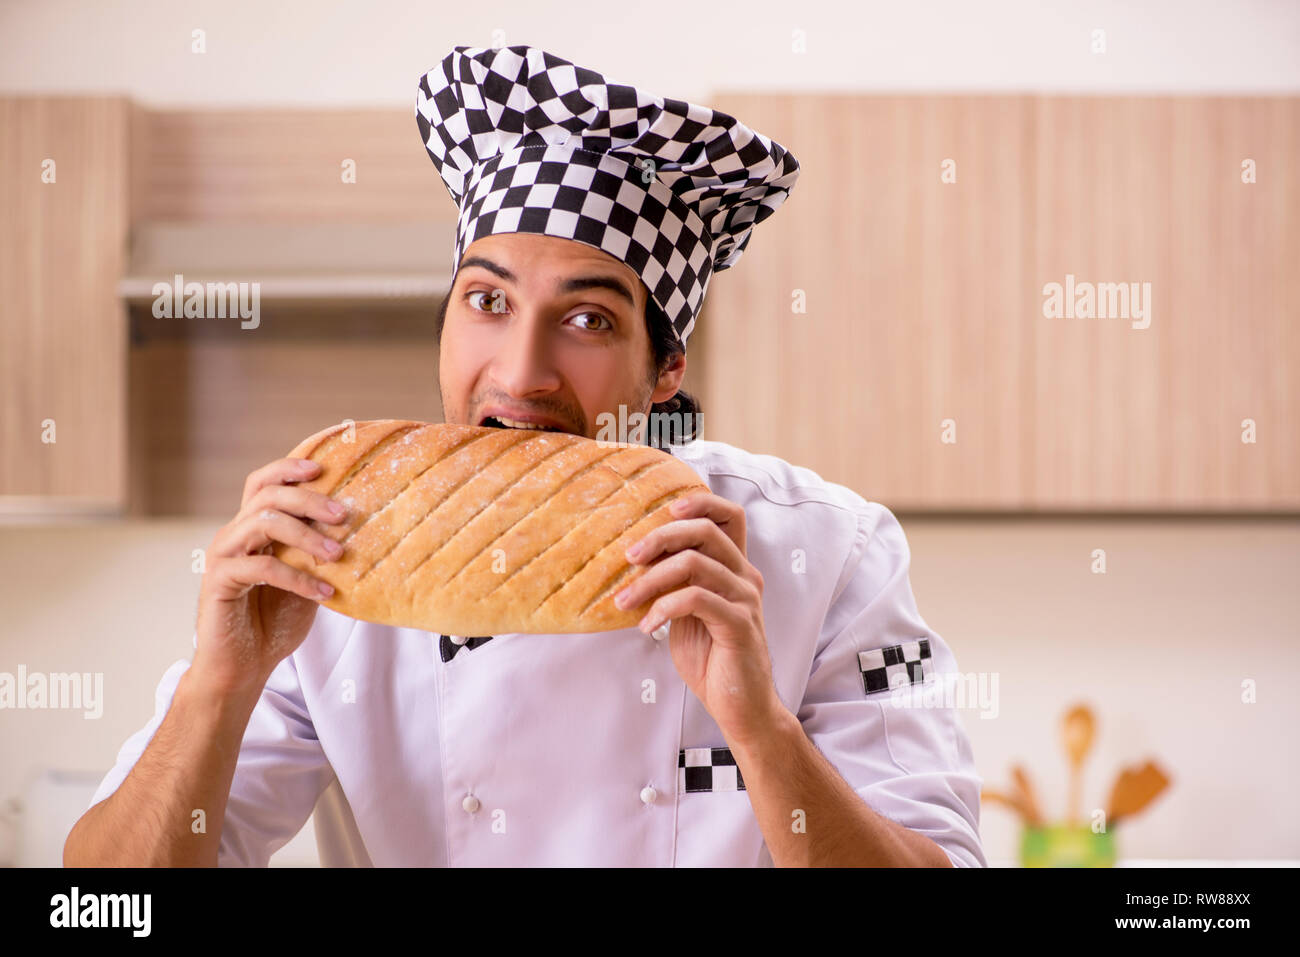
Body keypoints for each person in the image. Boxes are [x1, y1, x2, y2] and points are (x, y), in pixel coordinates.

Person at [64, 43, 986, 867]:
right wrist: (220, 684)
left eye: (587, 319)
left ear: (665, 367)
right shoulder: (331, 558)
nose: (521, 372)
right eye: (488, 302)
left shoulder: (827, 554)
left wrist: (760, 729)